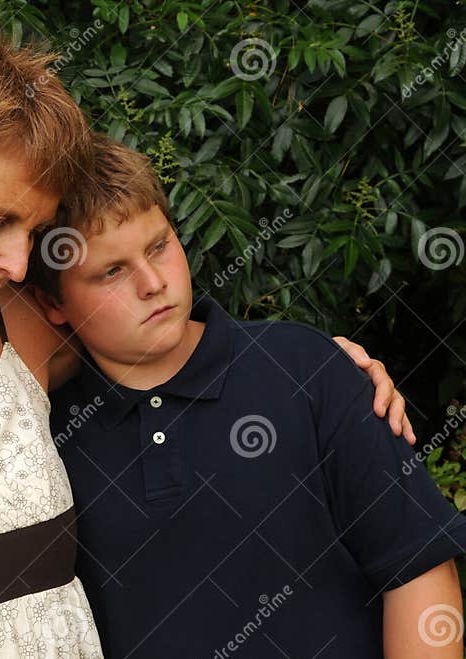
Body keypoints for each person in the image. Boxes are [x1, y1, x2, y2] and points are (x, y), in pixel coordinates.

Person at [0, 24, 411, 658]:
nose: (18, 264)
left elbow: (171, 344)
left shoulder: (25, 328)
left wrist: (326, 371)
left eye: (33, 230)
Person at [31, 133, 466, 657]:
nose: (152, 283)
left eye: (159, 246)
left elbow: (417, 568)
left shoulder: (307, 369)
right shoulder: (45, 438)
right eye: (112, 271)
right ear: (52, 303)